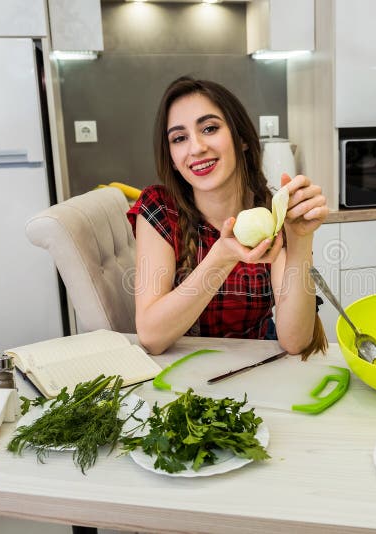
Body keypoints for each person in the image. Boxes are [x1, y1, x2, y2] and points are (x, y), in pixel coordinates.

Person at [127, 76, 329, 356]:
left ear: (242, 138)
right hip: (182, 373)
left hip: (256, 366)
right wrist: (222, 257)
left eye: (209, 128)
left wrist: (300, 240)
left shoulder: (270, 211)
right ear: (171, 157)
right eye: (179, 138)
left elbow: (296, 341)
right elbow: (151, 337)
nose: (196, 148)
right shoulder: (160, 208)